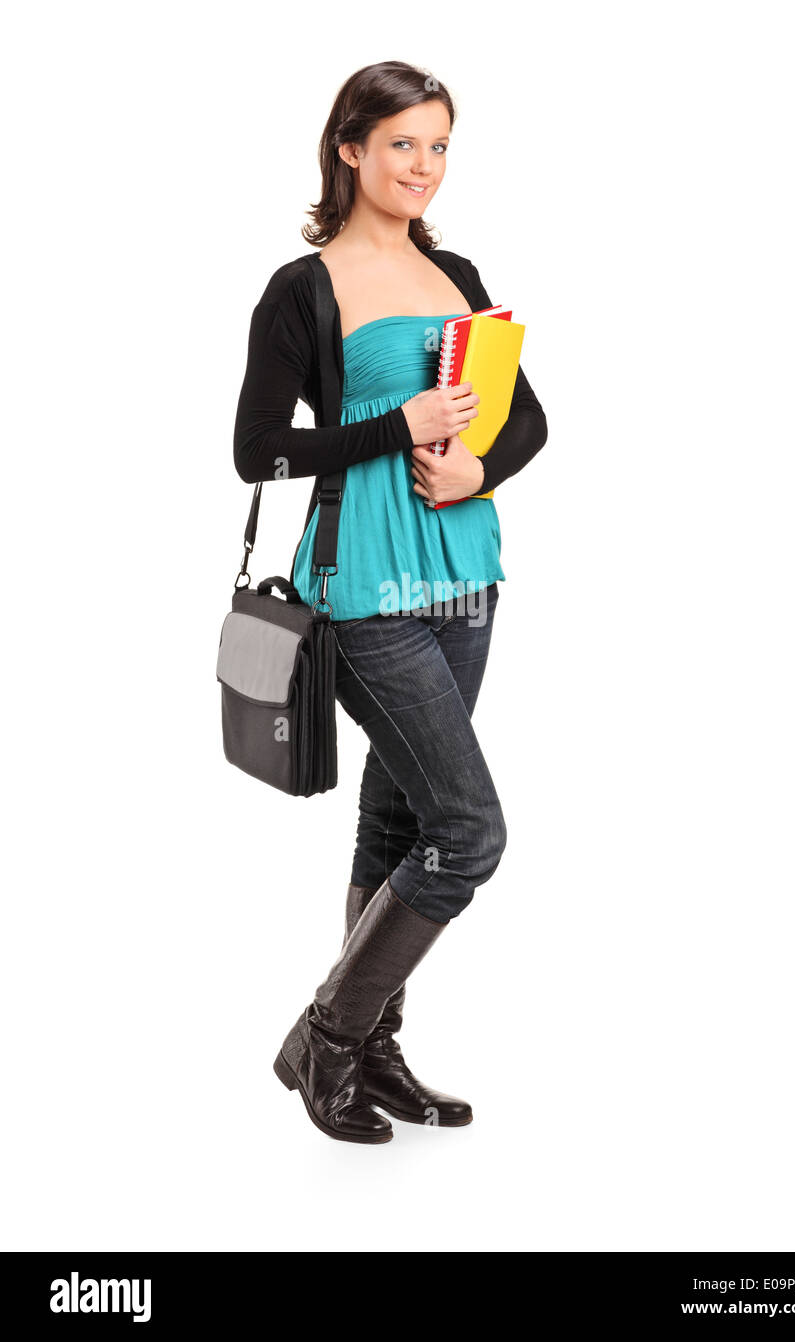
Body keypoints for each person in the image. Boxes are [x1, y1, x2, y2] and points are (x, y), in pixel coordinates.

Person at [233, 61, 548, 1144]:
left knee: (404, 816)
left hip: (465, 574)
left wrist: (478, 469)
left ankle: (368, 1053)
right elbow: (258, 449)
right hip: (362, 582)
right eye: (402, 143)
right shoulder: (302, 286)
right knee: (469, 831)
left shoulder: (455, 268)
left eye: (439, 146)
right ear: (350, 149)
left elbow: (526, 417)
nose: (422, 166)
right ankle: (327, 1033)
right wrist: (398, 427)